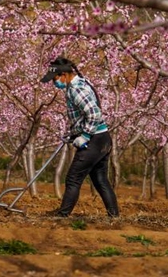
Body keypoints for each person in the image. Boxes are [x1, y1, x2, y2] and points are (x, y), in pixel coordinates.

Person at [40, 57, 119, 218]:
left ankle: (62, 216)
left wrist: (85, 135)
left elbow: (94, 113)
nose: (54, 83)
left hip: (94, 140)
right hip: (103, 138)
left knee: (73, 178)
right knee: (100, 179)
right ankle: (114, 216)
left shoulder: (76, 89)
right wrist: (74, 133)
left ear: (64, 75)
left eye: (55, 79)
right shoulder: (79, 83)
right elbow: (83, 115)